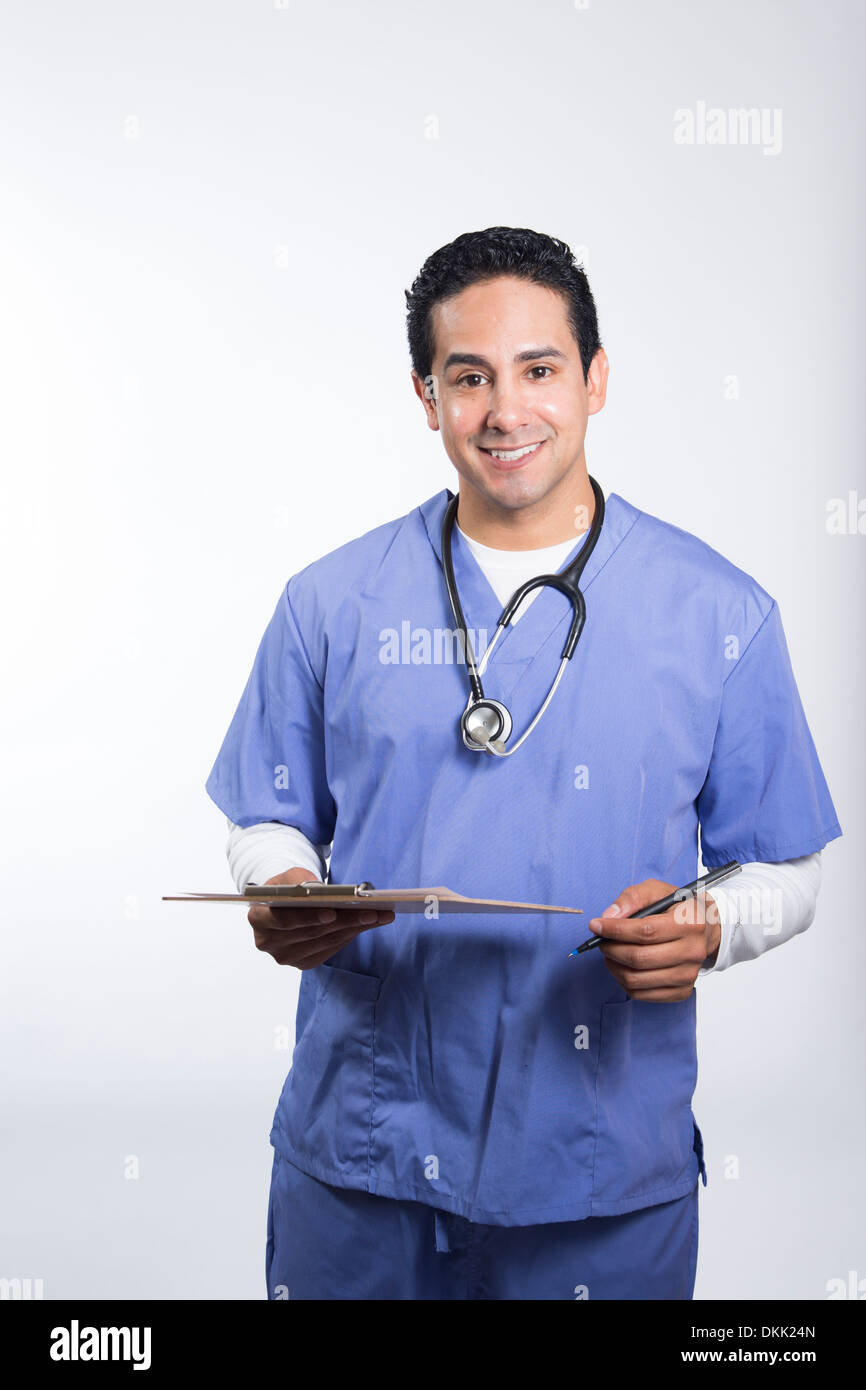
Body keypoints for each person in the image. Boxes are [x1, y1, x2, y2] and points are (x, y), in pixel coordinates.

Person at [205, 227, 841, 1301]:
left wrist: (713, 926)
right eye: (469, 378)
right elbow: (268, 814)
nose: (505, 411)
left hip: (597, 1173)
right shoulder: (330, 603)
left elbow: (786, 865)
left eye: (538, 369)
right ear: (427, 397)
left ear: (595, 379)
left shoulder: (718, 615)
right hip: (363, 1159)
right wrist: (281, 883)